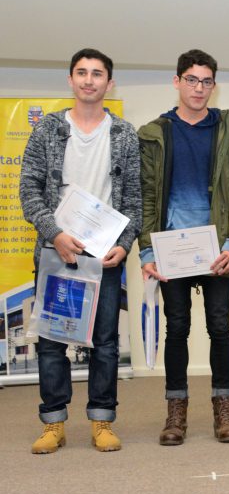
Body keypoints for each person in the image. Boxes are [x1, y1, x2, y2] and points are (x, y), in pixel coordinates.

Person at [20, 48, 142, 453]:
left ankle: (102, 421)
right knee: (53, 340)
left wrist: (124, 246)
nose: (89, 80)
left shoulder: (123, 133)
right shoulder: (47, 131)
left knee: (106, 341)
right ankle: (53, 423)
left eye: (98, 74)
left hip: (103, 254)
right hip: (59, 252)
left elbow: (136, 202)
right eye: (82, 73)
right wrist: (54, 234)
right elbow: (29, 191)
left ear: (110, 83)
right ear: (70, 80)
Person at [137, 49, 229, 445]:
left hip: (218, 250)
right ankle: (176, 413)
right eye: (191, 80)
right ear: (177, 81)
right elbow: (146, 196)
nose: (199, 88)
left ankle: (224, 410)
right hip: (171, 250)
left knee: (220, 327)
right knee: (177, 329)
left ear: (214, 86)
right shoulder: (154, 132)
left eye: (206, 81)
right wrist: (147, 251)